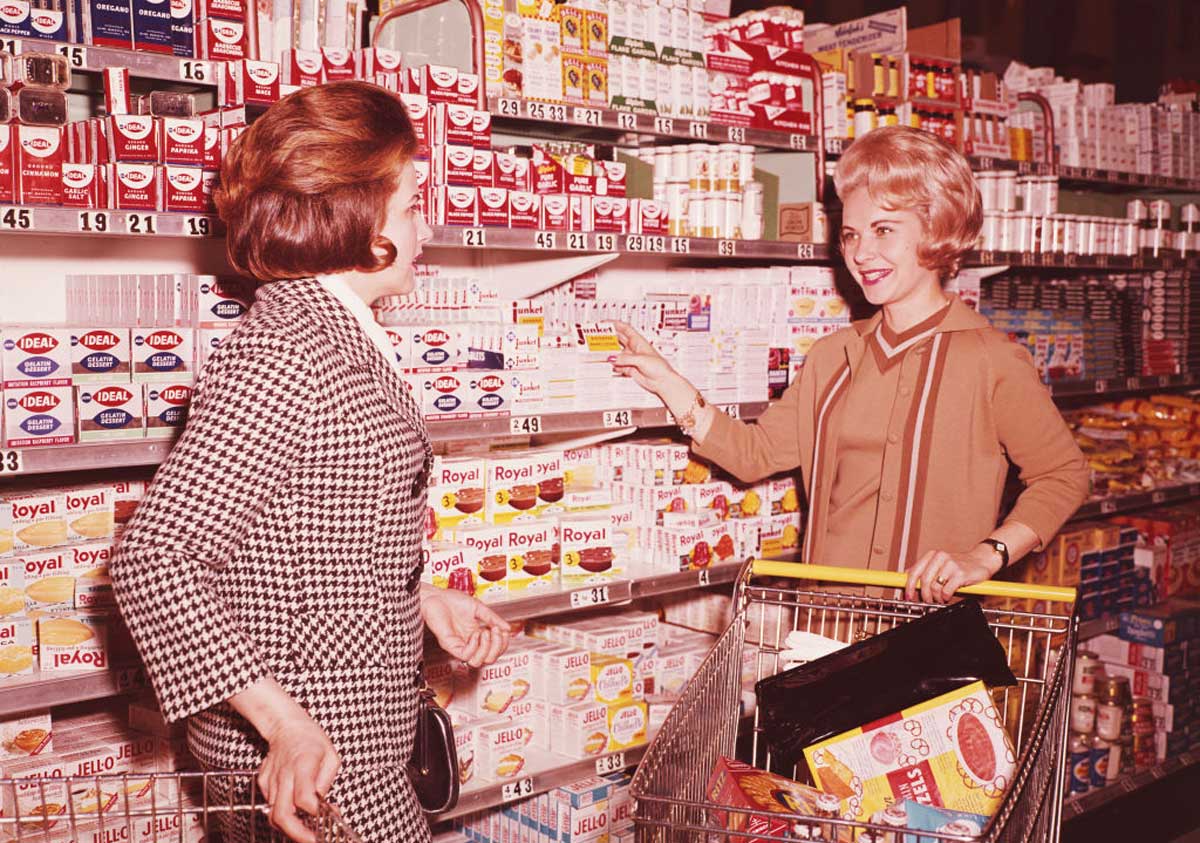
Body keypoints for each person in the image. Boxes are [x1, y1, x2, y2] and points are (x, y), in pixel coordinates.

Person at [110, 81, 512, 843]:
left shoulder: (331, 329)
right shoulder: (284, 351)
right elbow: (156, 560)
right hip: (317, 757)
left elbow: (302, 526)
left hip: (353, 730)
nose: (427, 226)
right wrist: (283, 724)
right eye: (412, 206)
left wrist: (417, 600)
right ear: (354, 218)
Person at [612, 126, 1090, 603]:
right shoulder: (831, 357)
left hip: (933, 630)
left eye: (884, 230)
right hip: (828, 622)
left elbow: (1064, 475)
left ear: (937, 229)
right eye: (851, 235)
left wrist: (986, 555)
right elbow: (755, 454)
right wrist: (669, 383)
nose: (861, 253)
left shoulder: (990, 360)